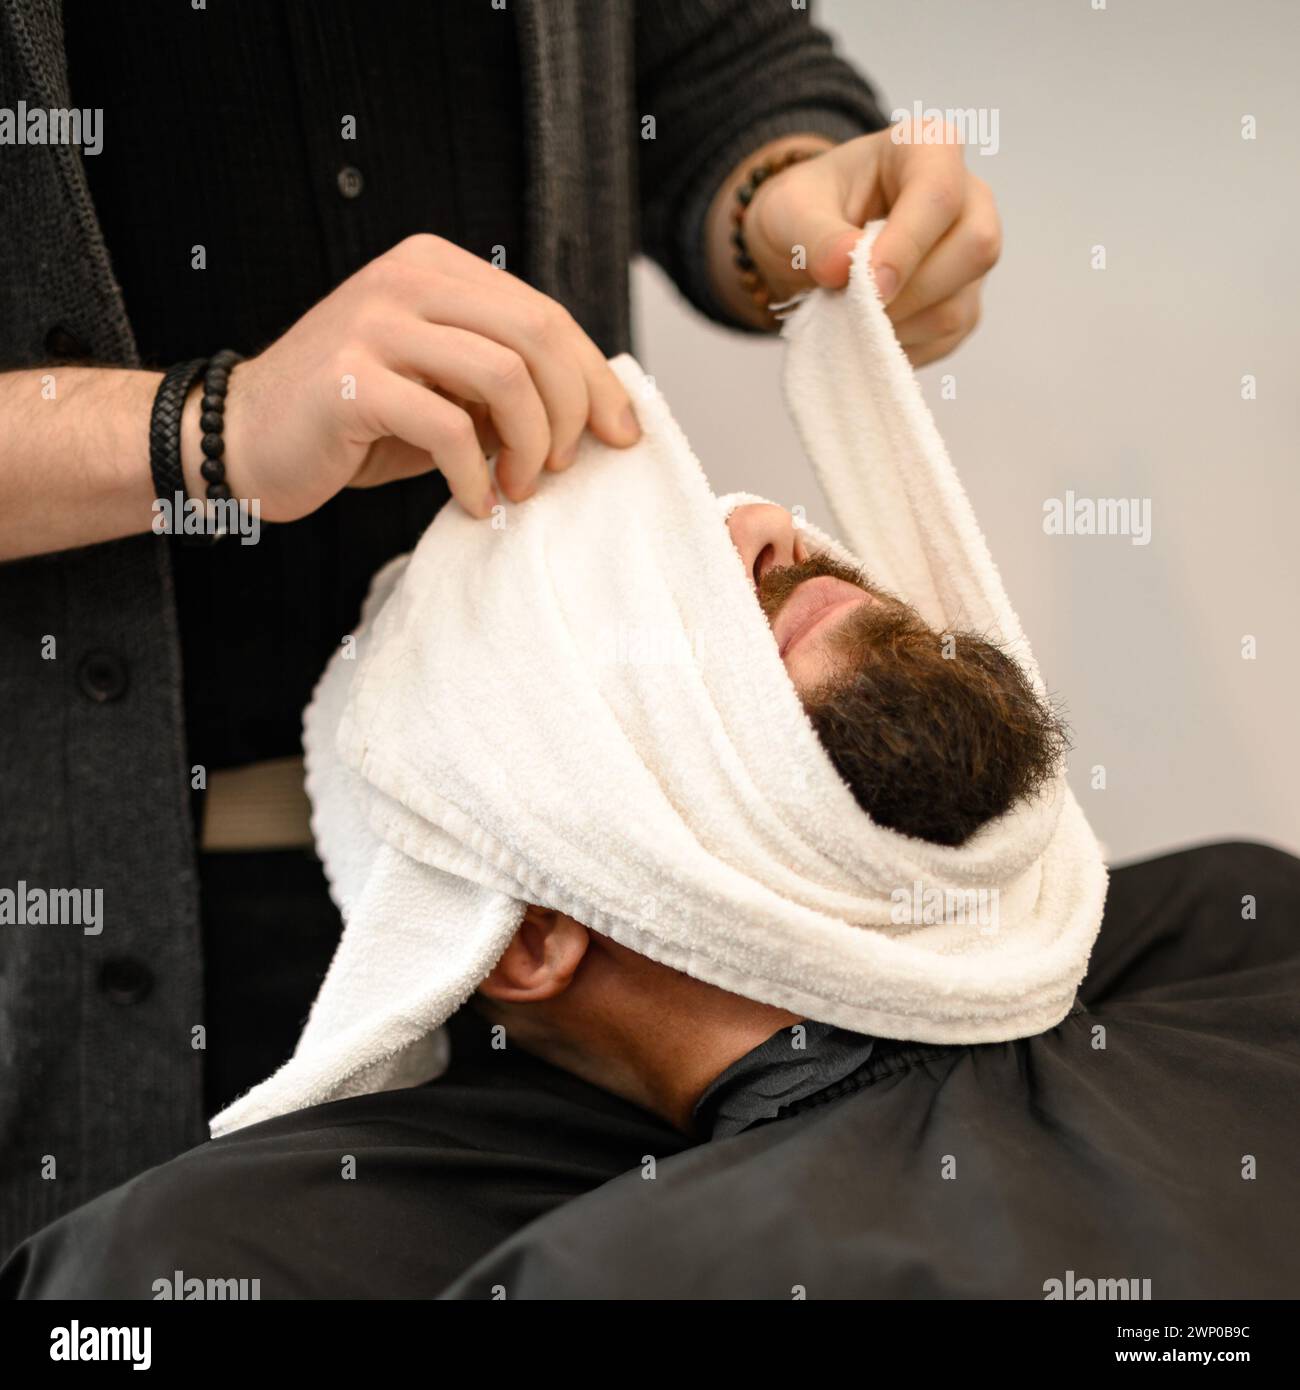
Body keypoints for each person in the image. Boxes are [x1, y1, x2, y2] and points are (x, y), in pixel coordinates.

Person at [0, 0, 1003, 1259]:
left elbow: (712, 66)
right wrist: (213, 429)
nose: (759, 531)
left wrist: (784, 201)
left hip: (605, 945)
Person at [7, 500, 1294, 1300]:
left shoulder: (1243, 938)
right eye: (616, 606)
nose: (761, 531)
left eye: (705, 506)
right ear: (529, 933)